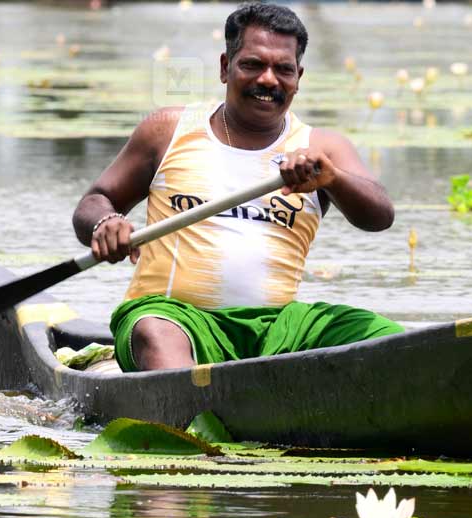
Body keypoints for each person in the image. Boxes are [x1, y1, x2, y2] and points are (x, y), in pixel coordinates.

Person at [72, 2, 403, 373]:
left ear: (298, 78)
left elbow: (381, 215)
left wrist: (333, 179)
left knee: (387, 337)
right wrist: (106, 223)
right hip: (175, 319)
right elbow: (96, 201)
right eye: (253, 64)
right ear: (225, 67)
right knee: (155, 332)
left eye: (283, 69)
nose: (268, 80)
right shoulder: (168, 130)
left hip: (277, 328)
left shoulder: (322, 147)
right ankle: (188, 402)